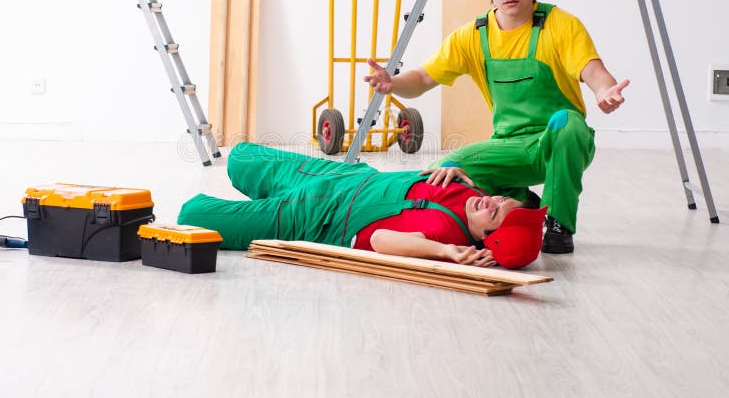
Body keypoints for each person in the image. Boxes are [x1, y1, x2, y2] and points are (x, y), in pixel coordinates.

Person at [364, 0, 629, 254]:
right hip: (508, 144)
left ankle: (558, 224)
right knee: (447, 169)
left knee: (567, 122)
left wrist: (605, 90)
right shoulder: (473, 36)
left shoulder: (560, 24)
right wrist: (394, 83)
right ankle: (519, 203)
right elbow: (422, 78)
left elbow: (592, 70)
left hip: (557, 141)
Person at [178, 142, 547, 269]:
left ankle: (267, 206)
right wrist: (451, 165)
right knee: (240, 156)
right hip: (346, 178)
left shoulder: (446, 234)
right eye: (501, 198)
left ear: (485, 238)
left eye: (494, 211)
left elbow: (382, 240)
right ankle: (265, 192)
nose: (491, 199)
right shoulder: (465, 185)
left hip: (317, 216)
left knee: (192, 216)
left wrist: (446, 252)